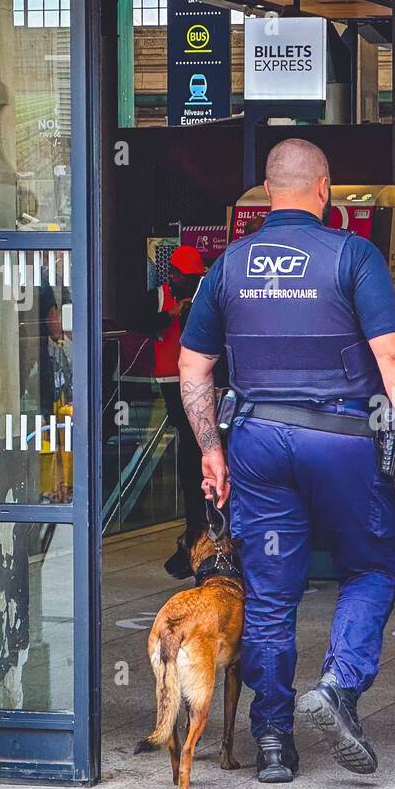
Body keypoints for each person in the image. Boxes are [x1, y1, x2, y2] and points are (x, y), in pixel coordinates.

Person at [178, 138, 395, 784]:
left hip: (259, 443)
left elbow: (194, 367)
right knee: (371, 567)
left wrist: (213, 451)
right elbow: (394, 355)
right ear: (326, 189)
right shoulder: (354, 254)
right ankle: (340, 687)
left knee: (269, 595)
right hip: (343, 439)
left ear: (266, 193)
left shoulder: (229, 266)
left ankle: (271, 742)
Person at [157, 244, 210, 579]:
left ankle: (198, 545)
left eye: (175, 274)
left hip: (198, 404)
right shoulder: (196, 300)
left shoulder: (196, 306)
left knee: (194, 477)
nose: (171, 280)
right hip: (197, 403)